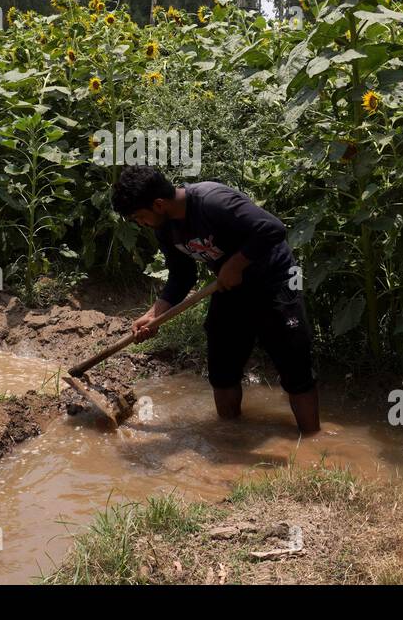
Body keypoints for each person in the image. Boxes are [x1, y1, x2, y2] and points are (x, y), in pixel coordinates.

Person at [111, 165, 319, 433]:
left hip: (275, 283)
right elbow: (181, 274)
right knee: (222, 371)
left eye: (140, 217)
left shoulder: (212, 201)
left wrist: (236, 263)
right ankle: (230, 438)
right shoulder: (165, 229)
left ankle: (313, 440)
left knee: (295, 371)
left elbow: (272, 228)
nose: (141, 223)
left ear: (159, 204)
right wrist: (155, 313)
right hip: (229, 289)